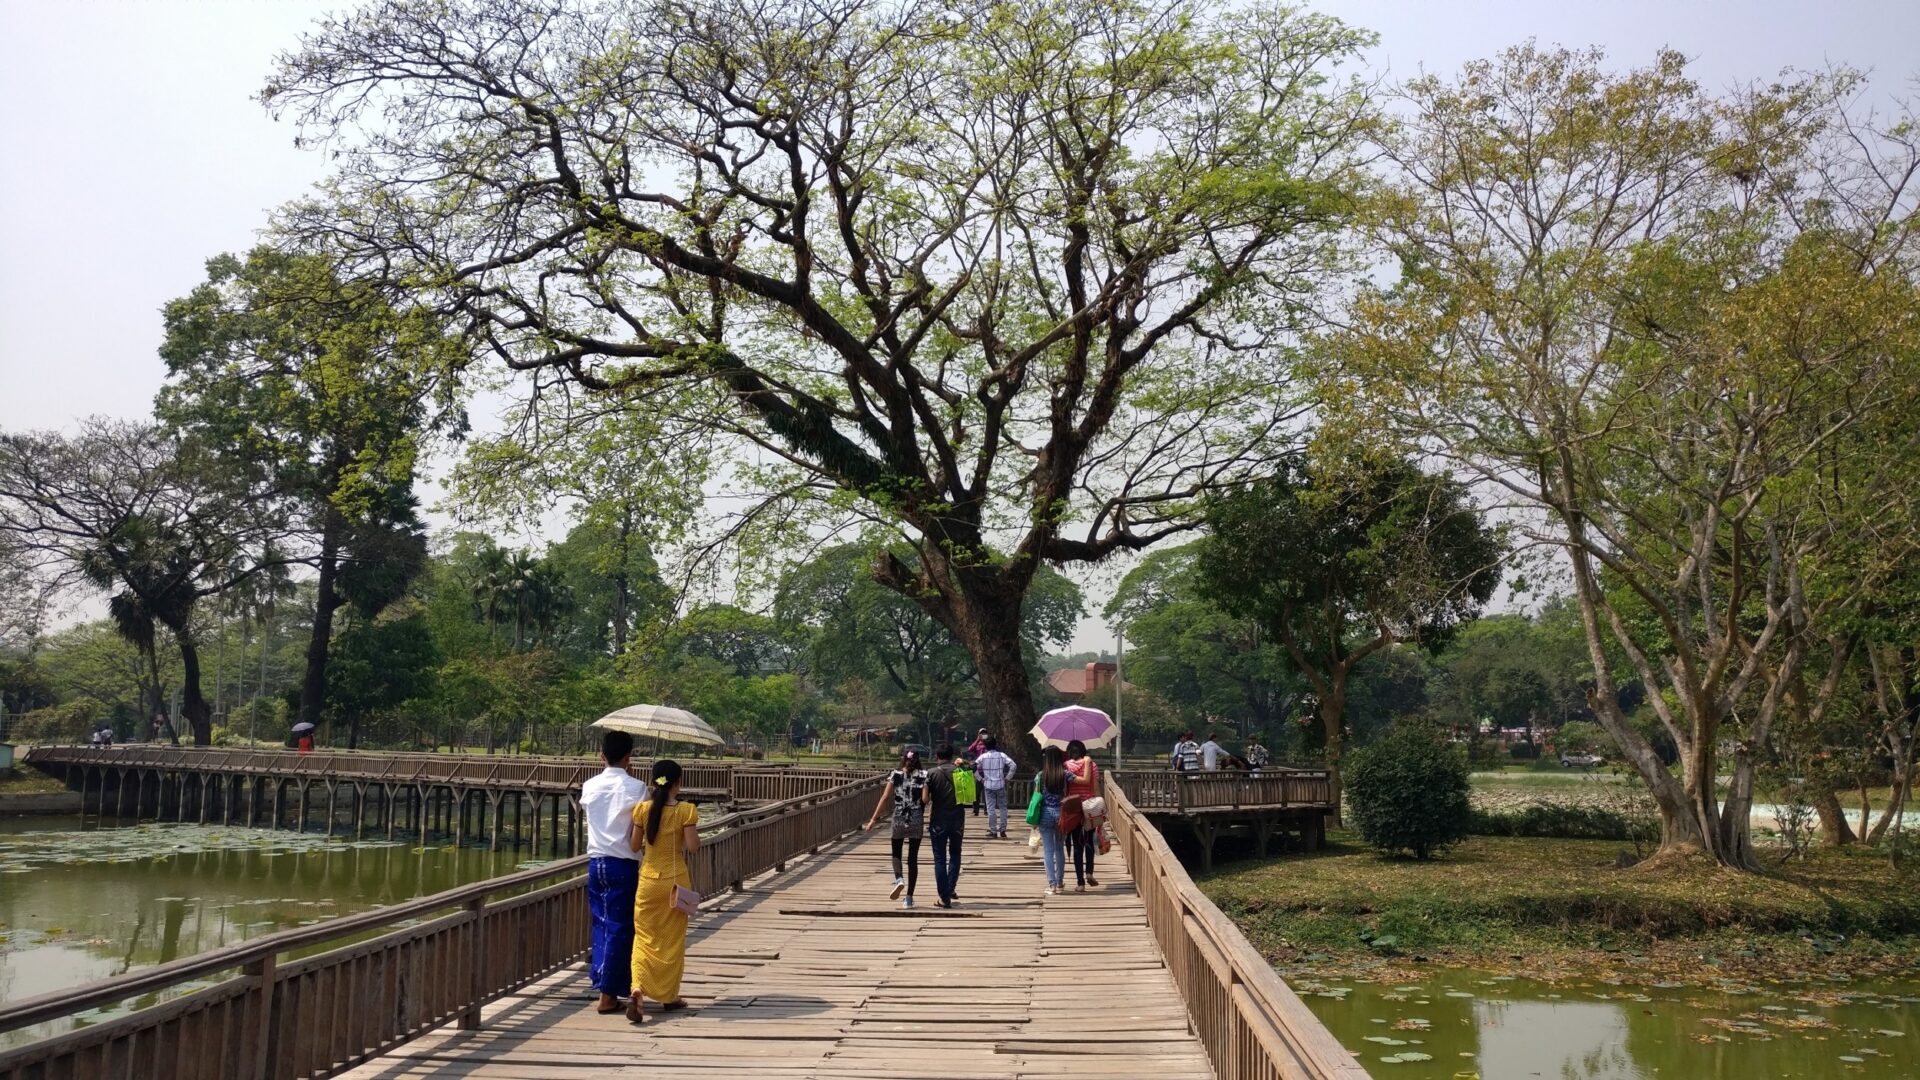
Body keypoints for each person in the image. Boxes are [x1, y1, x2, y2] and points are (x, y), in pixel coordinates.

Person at [625, 759, 700, 1024]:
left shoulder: (642, 810)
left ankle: (637, 987)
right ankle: (669, 996)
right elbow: (693, 847)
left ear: (654, 782)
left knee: (643, 937)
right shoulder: (685, 811)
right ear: (677, 783)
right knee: (672, 940)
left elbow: (635, 846)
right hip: (675, 883)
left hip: (647, 881)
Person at [580, 730, 647, 1014]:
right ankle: (608, 994)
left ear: (602, 756)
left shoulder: (589, 785)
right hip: (623, 862)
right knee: (621, 927)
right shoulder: (637, 787)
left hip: (596, 862)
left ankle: (605, 986)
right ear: (629, 758)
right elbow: (640, 825)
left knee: (601, 924)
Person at [864, 749, 928, 908]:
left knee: (896, 853)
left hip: (899, 816)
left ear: (904, 759)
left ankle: (899, 879)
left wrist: (873, 819)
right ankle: (909, 898)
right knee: (913, 858)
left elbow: (885, 797)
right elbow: (925, 799)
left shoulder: (895, 775)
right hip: (916, 818)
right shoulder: (924, 775)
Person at [924, 743, 967, 908]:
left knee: (940, 858)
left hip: (938, 820)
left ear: (937, 756)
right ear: (952, 756)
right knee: (955, 854)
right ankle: (950, 888)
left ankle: (944, 896)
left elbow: (925, 799)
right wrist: (963, 764)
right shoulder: (960, 771)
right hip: (958, 819)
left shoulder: (931, 773)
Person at [1064, 739, 1100, 891]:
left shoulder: (1066, 766)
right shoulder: (1092, 765)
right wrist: (1100, 807)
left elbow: (1065, 788)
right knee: (1089, 841)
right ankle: (1089, 872)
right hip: (1090, 807)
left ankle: (1080, 884)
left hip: (1074, 808)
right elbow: (1096, 787)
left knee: (1077, 845)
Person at [1035, 746, 1069, 896]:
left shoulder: (1041, 775)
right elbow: (1081, 781)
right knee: (1059, 849)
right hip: (1061, 815)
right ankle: (1060, 882)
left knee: (1048, 850)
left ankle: (1052, 885)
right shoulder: (1065, 774)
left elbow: (1037, 795)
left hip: (1045, 814)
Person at [973, 736, 1017, 838]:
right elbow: (1013, 765)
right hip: (1000, 784)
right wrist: (1008, 778)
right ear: (995, 745)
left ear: (985, 746)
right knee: (1003, 808)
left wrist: (980, 779)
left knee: (990, 809)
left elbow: (973, 767)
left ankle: (993, 831)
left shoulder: (983, 757)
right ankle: (1003, 830)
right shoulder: (1002, 755)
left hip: (988, 785)